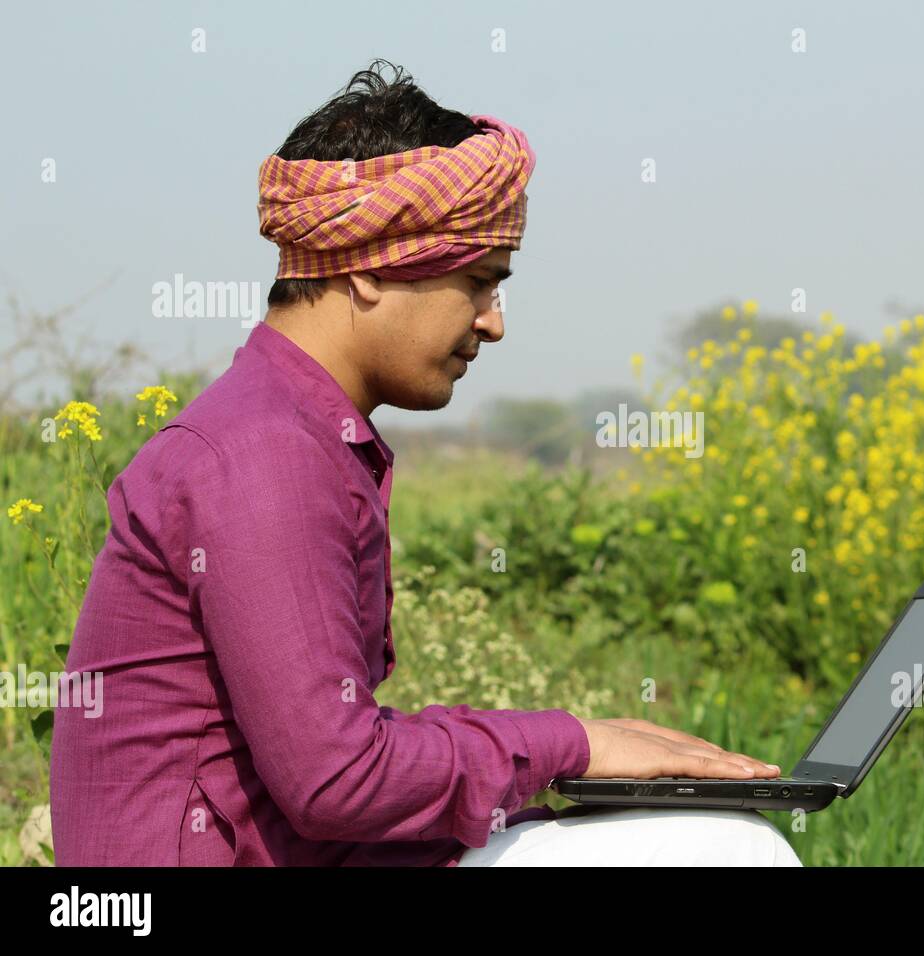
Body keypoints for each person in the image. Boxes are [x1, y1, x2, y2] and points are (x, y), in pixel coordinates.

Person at [50, 60, 801, 867]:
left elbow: (330, 758)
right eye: (478, 282)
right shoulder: (264, 454)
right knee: (730, 849)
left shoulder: (283, 426)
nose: (493, 322)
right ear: (370, 265)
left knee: (692, 836)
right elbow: (336, 778)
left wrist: (572, 751)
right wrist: (570, 745)